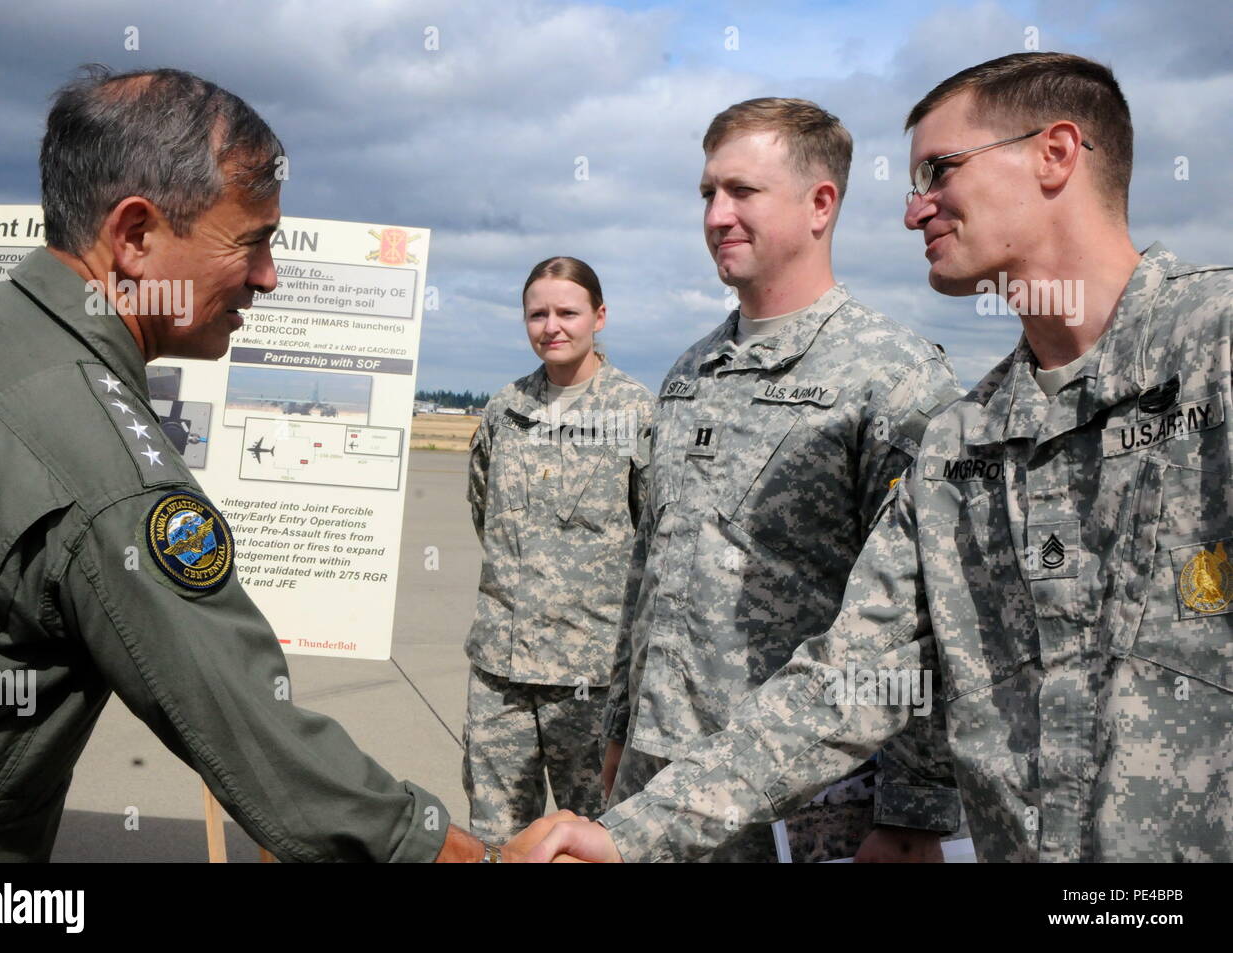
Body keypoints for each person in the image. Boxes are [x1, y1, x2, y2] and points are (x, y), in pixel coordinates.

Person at [529, 51, 1233, 864]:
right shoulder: (965, 445)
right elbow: (851, 679)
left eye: (939, 171)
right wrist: (629, 833)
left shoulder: (1212, 351)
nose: (913, 211)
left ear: (1056, 153)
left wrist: (911, 813)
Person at [0, 65, 530, 862]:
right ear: (136, 235)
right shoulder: (107, 468)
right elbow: (256, 737)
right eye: (251, 241)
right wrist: (475, 857)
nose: (268, 276)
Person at [598, 98, 963, 862]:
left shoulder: (890, 377)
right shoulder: (691, 371)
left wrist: (914, 812)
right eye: (707, 194)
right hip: (653, 783)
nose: (716, 215)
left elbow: (929, 615)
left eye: (742, 191)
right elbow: (650, 567)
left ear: (820, 203)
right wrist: (618, 732)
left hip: (794, 798)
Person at [463, 257, 654, 842]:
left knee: (594, 836)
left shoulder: (636, 413)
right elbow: (483, 510)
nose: (552, 326)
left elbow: (655, 539)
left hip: (593, 679)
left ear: (599, 317)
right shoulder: (507, 410)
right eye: (537, 314)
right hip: (502, 674)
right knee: (498, 839)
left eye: (567, 312)